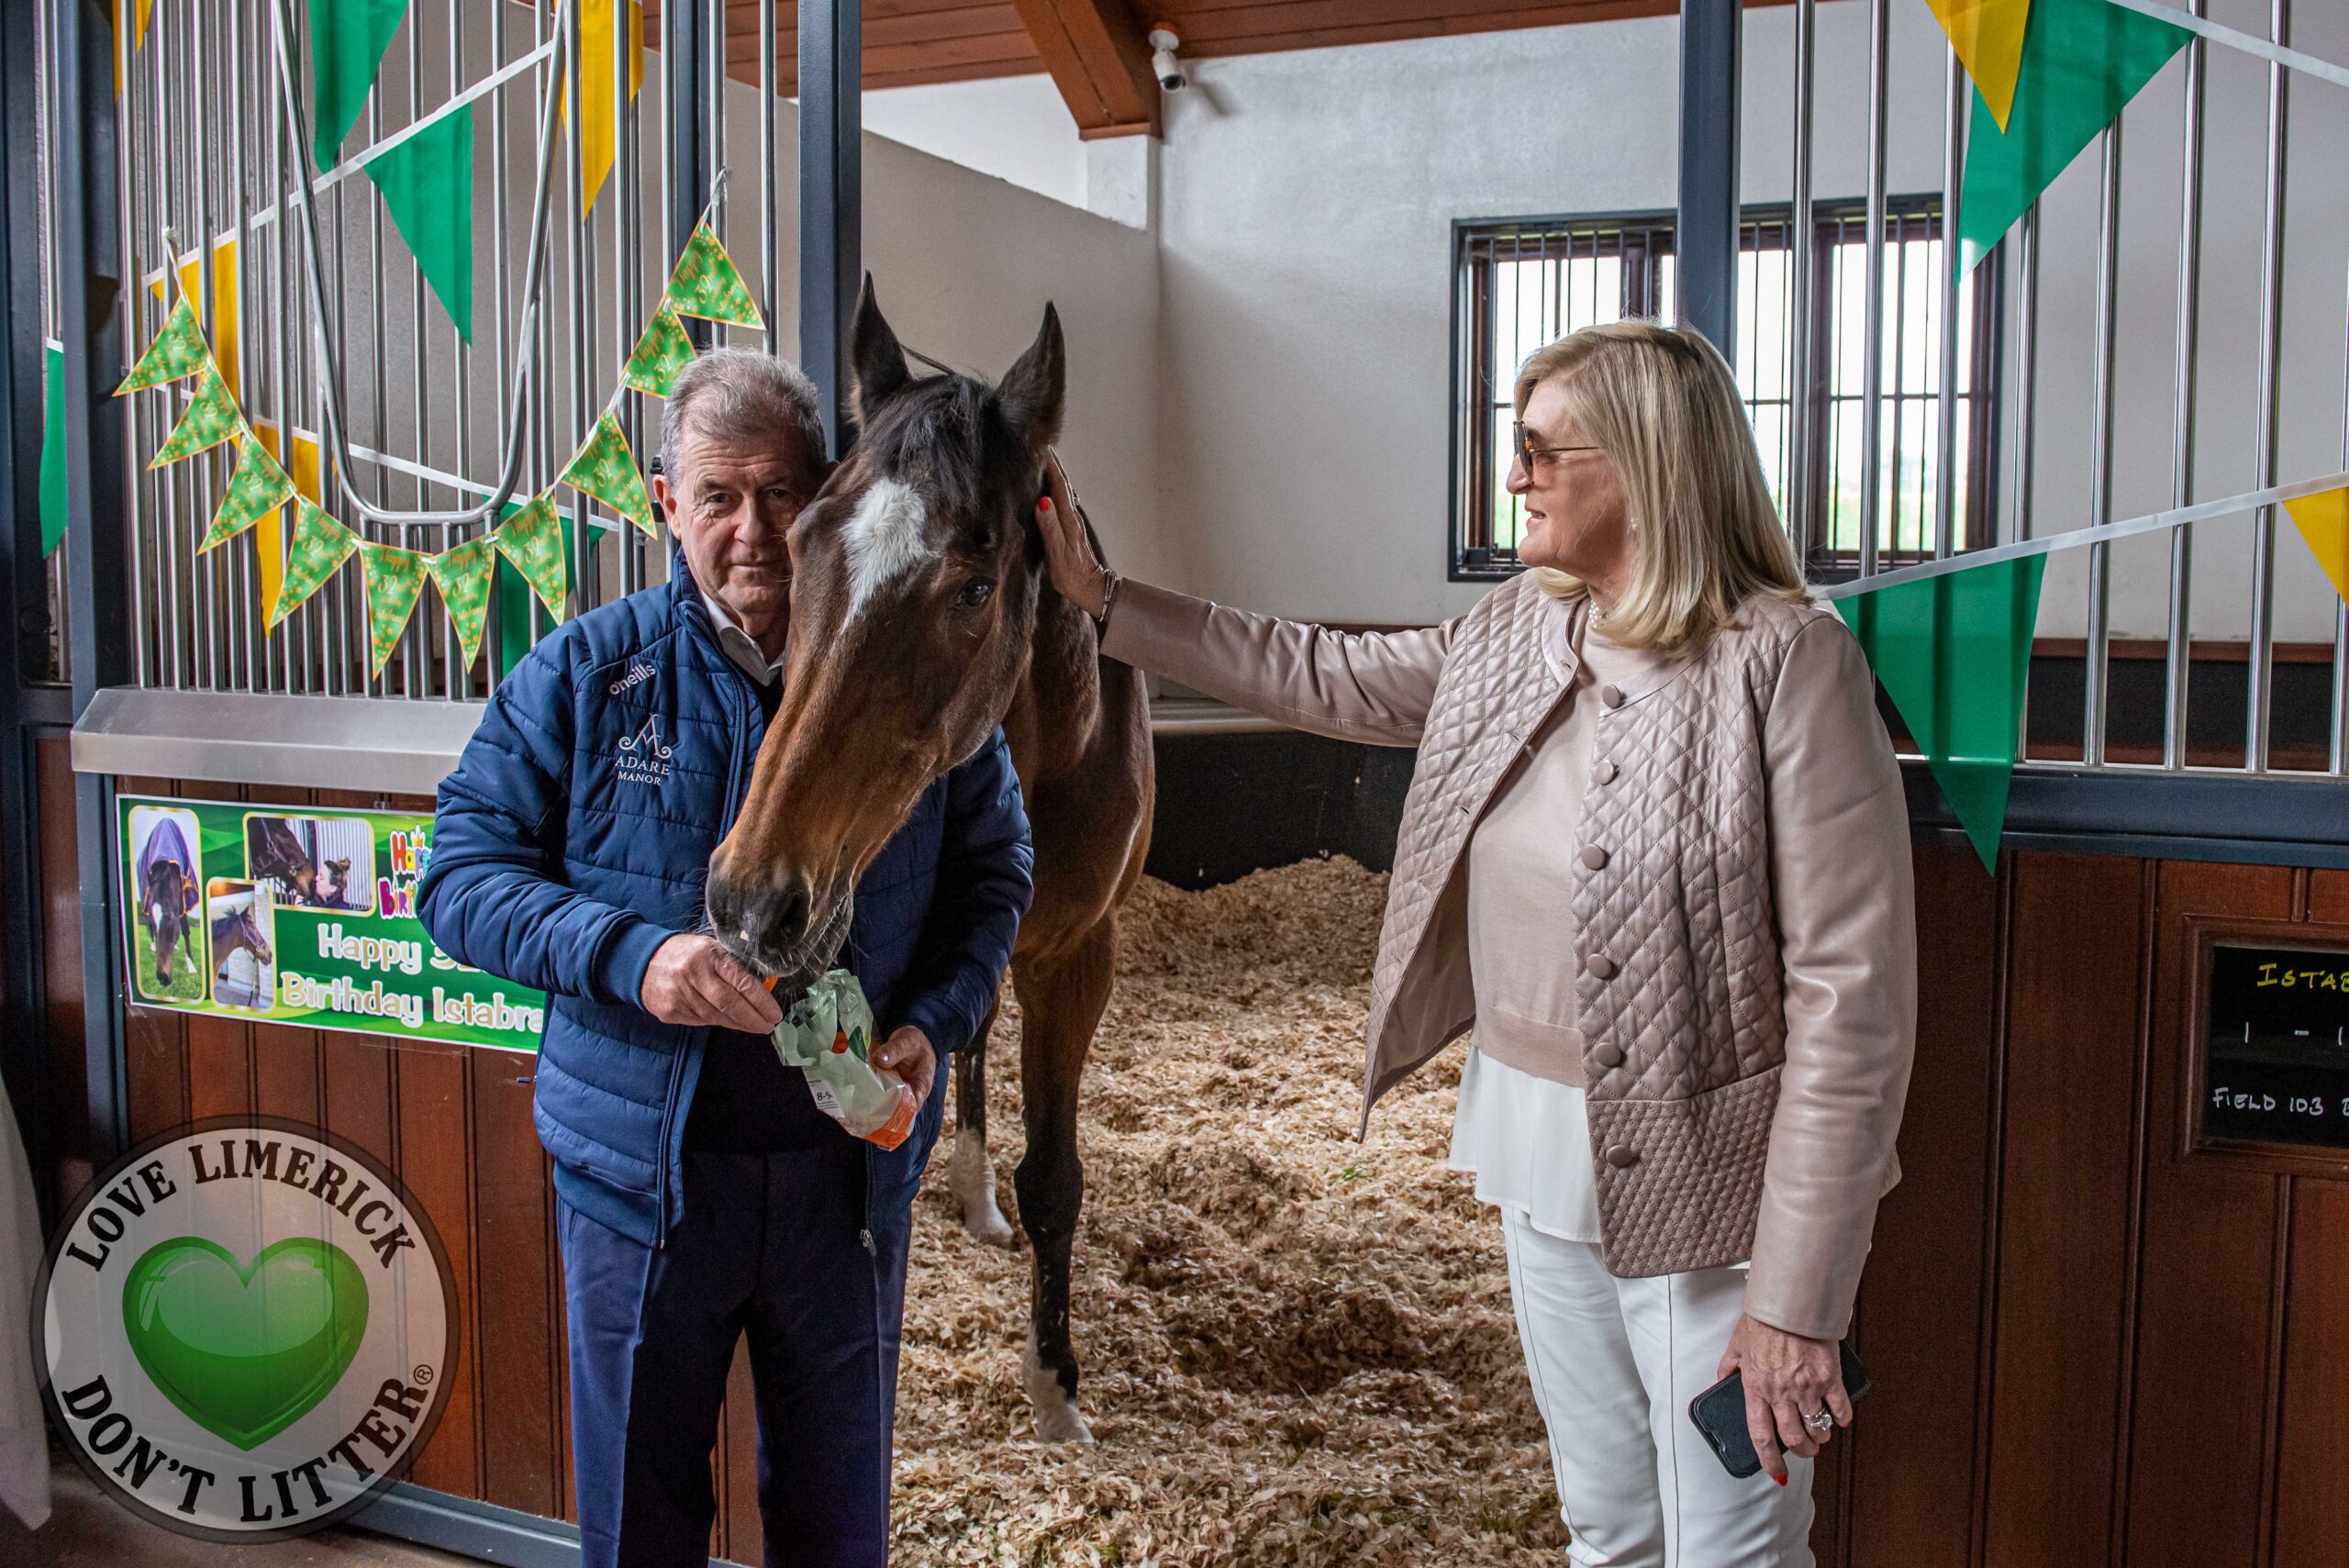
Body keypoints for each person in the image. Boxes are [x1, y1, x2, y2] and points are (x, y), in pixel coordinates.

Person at [1038, 320, 1915, 1564]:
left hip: (1717, 1180)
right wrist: (1109, 605)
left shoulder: (1789, 661)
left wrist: (1797, 1295)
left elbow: (1854, 997)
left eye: (1541, 450)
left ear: (1647, 465)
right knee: (1606, 1523)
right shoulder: (1512, 634)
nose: (1515, 477)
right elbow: (1317, 672)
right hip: (1534, 1140)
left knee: (1734, 1547)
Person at [420, 350, 1034, 1568]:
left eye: (784, 493)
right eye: (718, 494)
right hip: (648, 1187)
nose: (753, 528)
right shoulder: (590, 676)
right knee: (643, 1526)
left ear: (832, 501)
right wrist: (630, 958)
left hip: (844, 1192)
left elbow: (994, 880)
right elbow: (456, 879)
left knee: (837, 1524)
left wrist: (935, 1019)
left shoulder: (908, 660)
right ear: (666, 503)